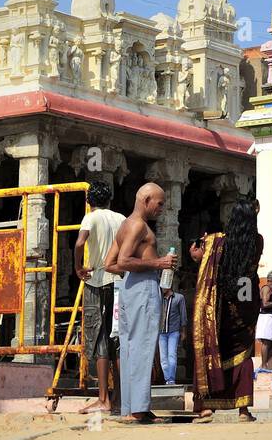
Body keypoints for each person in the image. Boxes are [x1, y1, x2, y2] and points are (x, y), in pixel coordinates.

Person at [191, 203, 264, 421]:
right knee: (243, 354)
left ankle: (206, 407)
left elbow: (201, 259)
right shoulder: (257, 241)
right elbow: (245, 275)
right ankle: (243, 411)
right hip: (245, 299)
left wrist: (199, 254)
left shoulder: (216, 242)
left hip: (220, 304)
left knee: (213, 349)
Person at [111, 182, 175, 423]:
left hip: (128, 287)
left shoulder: (125, 225)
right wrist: (159, 264)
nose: (161, 208)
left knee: (129, 346)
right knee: (143, 345)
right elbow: (124, 260)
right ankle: (139, 408)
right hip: (143, 286)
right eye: (159, 204)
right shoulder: (139, 225)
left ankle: (130, 406)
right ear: (146, 200)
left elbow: (110, 263)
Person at [74, 181, 124, 413]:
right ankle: (122, 398)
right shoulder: (121, 218)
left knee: (99, 337)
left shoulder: (91, 217)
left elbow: (79, 243)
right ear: (109, 199)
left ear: (89, 201)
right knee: (118, 339)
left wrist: (78, 268)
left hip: (95, 281)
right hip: (119, 281)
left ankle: (103, 399)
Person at [158, 288, 187, 384]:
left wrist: (183, 331)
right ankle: (167, 378)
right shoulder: (159, 298)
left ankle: (171, 379)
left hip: (173, 331)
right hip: (161, 332)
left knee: (171, 355)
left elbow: (183, 315)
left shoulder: (179, 298)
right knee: (163, 358)